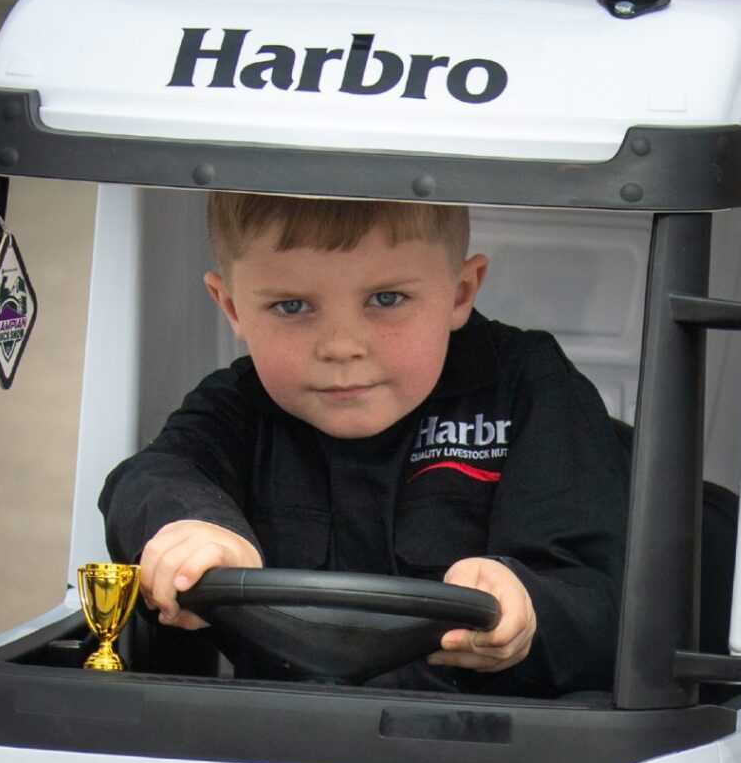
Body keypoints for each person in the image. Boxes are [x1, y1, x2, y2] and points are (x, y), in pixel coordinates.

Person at [99, 194, 628, 695]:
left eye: (387, 299)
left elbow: (603, 599)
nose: (341, 346)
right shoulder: (238, 408)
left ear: (461, 292)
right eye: (292, 306)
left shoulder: (527, 389)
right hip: (275, 757)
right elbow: (148, 477)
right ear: (232, 308)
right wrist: (191, 529)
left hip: (492, 756)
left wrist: (529, 607)